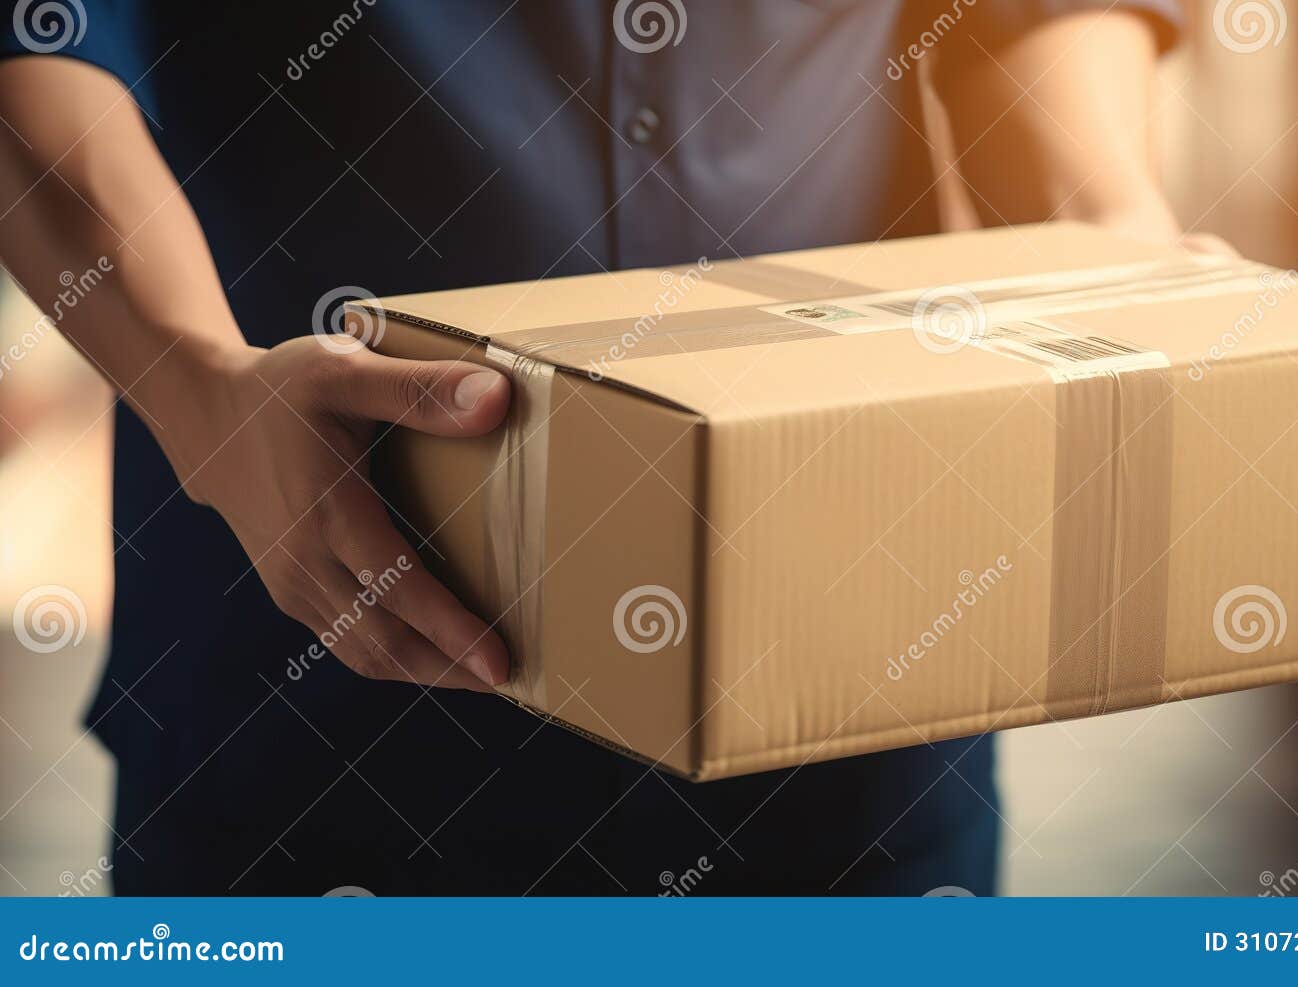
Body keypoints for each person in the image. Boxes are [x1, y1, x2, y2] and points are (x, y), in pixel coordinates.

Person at [0, 0, 1198, 894]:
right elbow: (40, 44)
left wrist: (1097, 225)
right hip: (329, 692)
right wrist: (205, 389)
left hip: (856, 694)